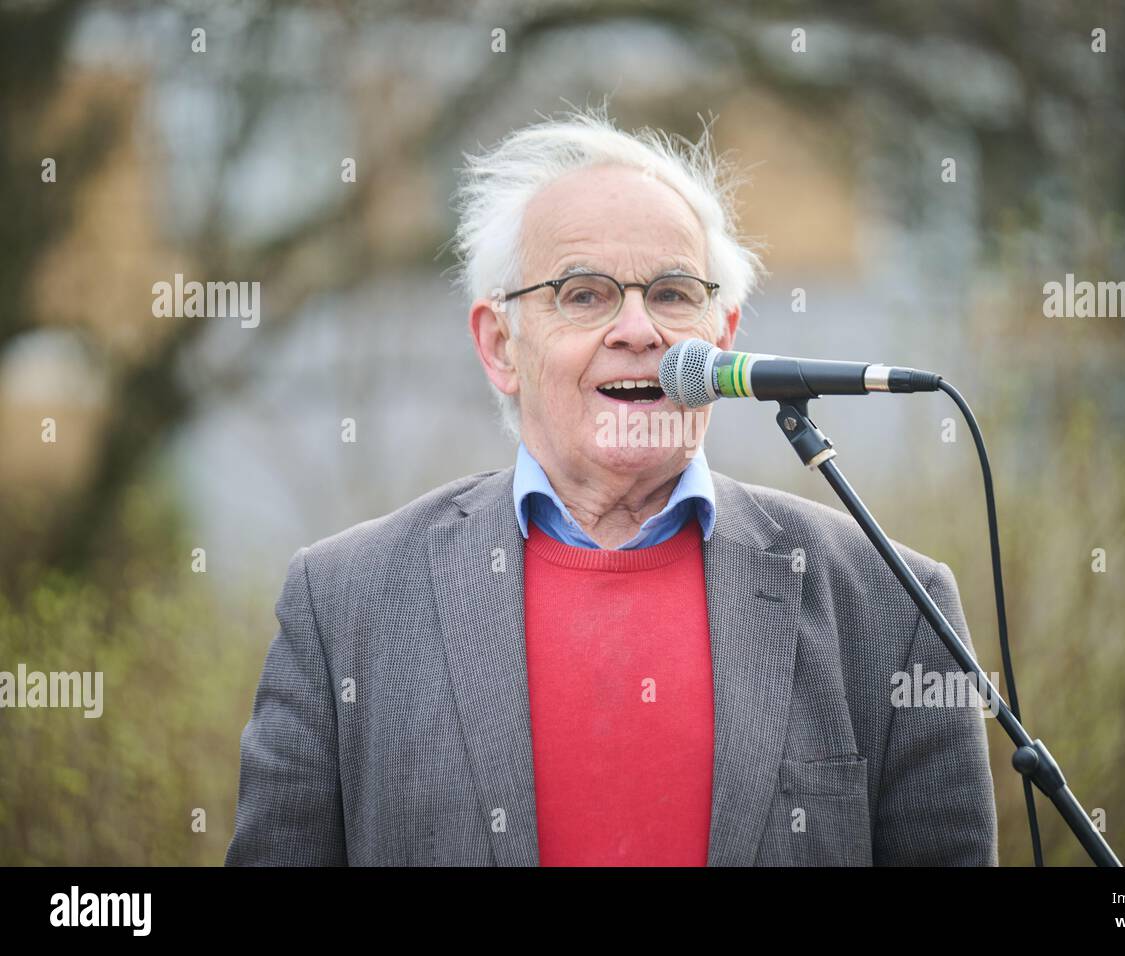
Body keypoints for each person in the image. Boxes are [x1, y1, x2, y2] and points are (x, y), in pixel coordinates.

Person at [226, 106, 997, 866]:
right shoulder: (343, 605)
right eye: (585, 294)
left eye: (671, 293)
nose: (638, 330)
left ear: (721, 341)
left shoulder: (895, 605)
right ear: (502, 347)